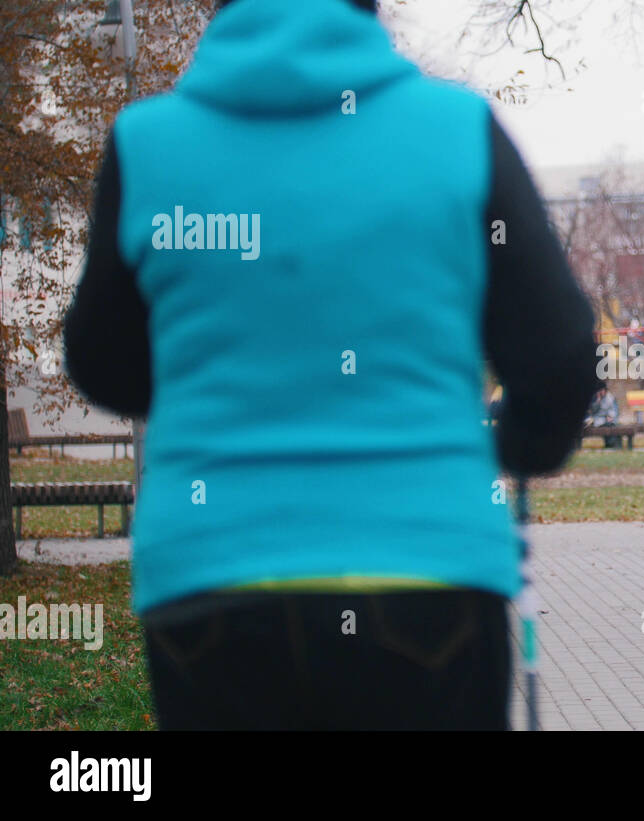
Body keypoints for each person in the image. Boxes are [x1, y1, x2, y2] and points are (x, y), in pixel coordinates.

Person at [61, 0, 600, 730]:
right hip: (425, 574)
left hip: (214, 584)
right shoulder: (457, 133)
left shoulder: (148, 145)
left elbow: (101, 364)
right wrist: (510, 445)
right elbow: (562, 354)